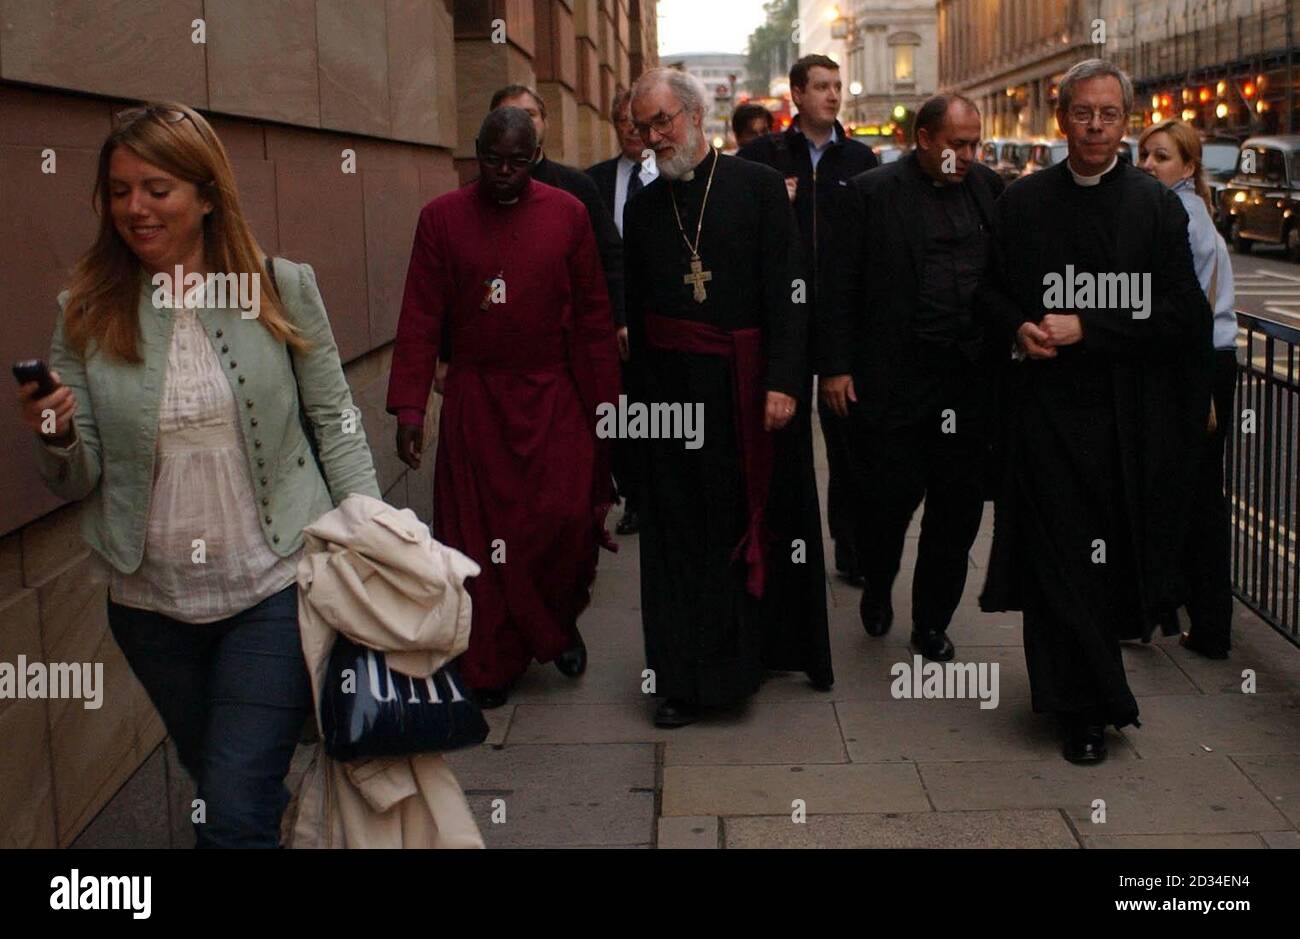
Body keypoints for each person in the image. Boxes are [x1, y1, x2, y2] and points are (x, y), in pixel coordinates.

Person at [17, 102, 381, 847]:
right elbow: (79, 475)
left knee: (229, 816)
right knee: (228, 787)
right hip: (150, 604)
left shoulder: (280, 287)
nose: (134, 209)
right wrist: (55, 432)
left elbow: (336, 422)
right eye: (118, 191)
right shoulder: (86, 309)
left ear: (207, 193)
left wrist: (376, 538)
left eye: (156, 188)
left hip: (272, 583)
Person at [975, 60, 1213, 763]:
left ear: (1126, 120)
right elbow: (986, 295)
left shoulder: (1153, 205)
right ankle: (1081, 707)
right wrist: (1017, 326)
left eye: (1110, 114)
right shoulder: (1021, 203)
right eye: (1084, 113)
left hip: (1123, 421)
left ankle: (1088, 691)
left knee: (1101, 567)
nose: (1097, 127)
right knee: (1058, 563)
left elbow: (1182, 314)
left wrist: (1092, 327)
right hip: (1044, 416)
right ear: (1062, 118)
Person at [386, 108, 621, 709]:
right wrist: (410, 407)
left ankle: (556, 624)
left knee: (565, 521)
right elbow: (419, 316)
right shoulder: (440, 218)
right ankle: (492, 658)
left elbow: (594, 317)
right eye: (494, 160)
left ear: (536, 156)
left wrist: (608, 408)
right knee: (479, 536)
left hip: (553, 395)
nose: (506, 174)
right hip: (476, 398)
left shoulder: (568, 214)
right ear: (476, 154)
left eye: (520, 162)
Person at [623, 67, 832, 728]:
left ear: (695, 115)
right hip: (672, 397)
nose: (655, 137)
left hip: (747, 389)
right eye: (644, 126)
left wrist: (784, 382)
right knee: (681, 534)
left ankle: (761, 651)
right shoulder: (646, 204)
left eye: (665, 122)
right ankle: (687, 678)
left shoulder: (759, 187)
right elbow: (634, 308)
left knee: (755, 523)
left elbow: (792, 291)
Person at [821, 94, 1004, 663]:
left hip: (968, 382)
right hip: (895, 379)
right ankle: (877, 583)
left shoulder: (990, 191)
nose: (968, 155)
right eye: (957, 144)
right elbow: (837, 284)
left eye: (975, 143)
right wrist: (835, 366)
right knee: (887, 502)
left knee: (958, 510)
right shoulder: (872, 194)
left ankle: (931, 622)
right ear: (924, 138)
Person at [738, 54, 878, 586]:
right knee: (784, 436)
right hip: (783, 318)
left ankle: (852, 545)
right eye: (821, 87)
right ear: (796, 94)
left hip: (844, 316)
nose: (833, 96)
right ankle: (784, 544)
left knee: (847, 437)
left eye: (837, 86)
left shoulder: (861, 159)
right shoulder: (763, 157)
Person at [1138, 119, 1238, 659]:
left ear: (1189, 167)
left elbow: (1173, 310)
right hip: (1213, 359)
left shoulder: (1177, 215)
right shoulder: (1193, 211)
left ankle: (1167, 610)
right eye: (1145, 156)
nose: (1149, 165)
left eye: (1162, 157)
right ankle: (1201, 620)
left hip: (1193, 365)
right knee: (1199, 495)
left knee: (1183, 494)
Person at [587, 89, 660, 535]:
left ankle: (663, 493)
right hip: (611, 320)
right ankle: (634, 495)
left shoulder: (673, 175)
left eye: (639, 121)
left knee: (664, 409)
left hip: (662, 315)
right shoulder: (593, 181)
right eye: (624, 122)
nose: (632, 130)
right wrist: (616, 317)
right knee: (622, 412)